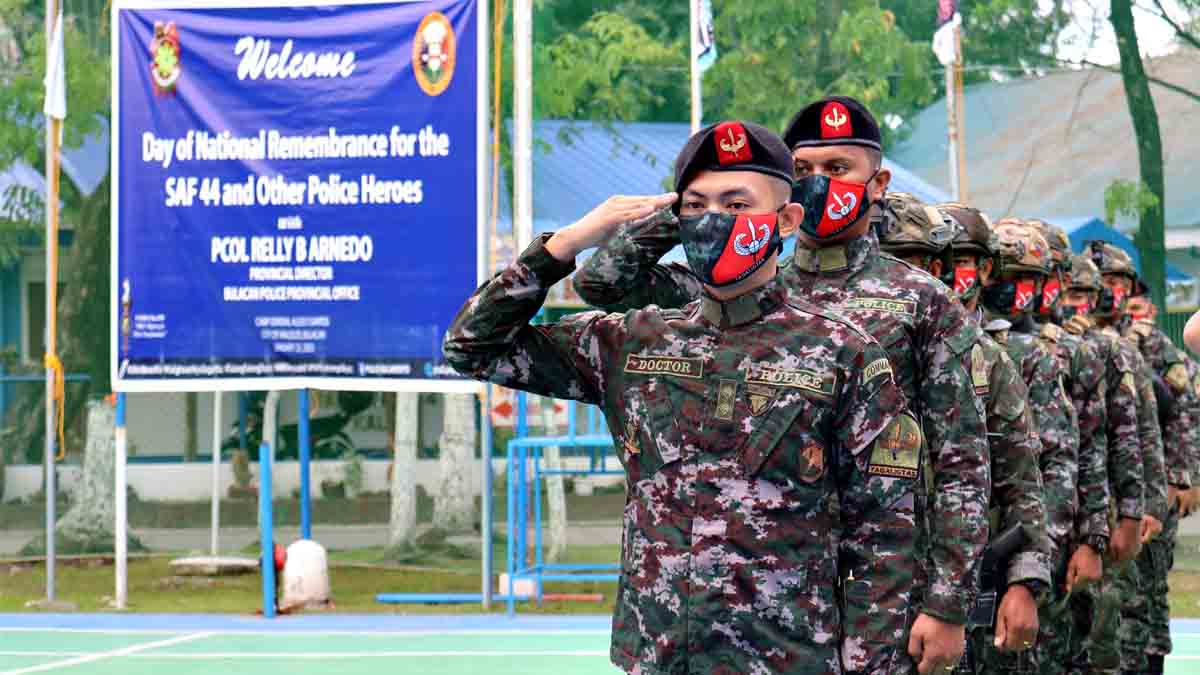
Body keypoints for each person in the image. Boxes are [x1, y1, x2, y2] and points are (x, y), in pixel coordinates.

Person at [444, 120, 931, 673]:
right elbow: (471, 344)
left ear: (787, 220)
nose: (713, 222)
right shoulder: (630, 342)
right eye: (696, 207)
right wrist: (564, 244)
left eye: (736, 204)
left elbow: (884, 529)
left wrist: (869, 663)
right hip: (659, 652)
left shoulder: (844, 353)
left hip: (790, 657)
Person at [573, 97, 991, 674]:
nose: (819, 185)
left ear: (877, 181)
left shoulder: (921, 300)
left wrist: (948, 601)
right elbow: (600, 284)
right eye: (803, 172)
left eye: (837, 170)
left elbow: (962, 461)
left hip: (870, 592)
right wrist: (685, 211)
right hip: (731, 604)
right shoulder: (734, 287)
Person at [879, 197, 1050, 672]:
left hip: (952, 589)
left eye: (910, 261)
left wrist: (1025, 580)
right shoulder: (833, 347)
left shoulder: (985, 358)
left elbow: (1021, 476)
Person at [972, 218, 1086, 674]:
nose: (1011, 289)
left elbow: (1061, 459)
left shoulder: (1037, 354)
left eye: (1025, 279)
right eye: (1003, 277)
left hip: (1026, 540)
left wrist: (1037, 558)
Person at [1058, 249, 1159, 675]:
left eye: (1086, 291)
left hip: (1102, 511)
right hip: (1053, 517)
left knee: (1106, 631)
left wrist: (1140, 509)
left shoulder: (1115, 350)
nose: (1077, 300)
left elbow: (1133, 434)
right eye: (1070, 290)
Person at [1113, 258, 1196, 675]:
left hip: (1156, 481)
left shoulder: (1160, 349)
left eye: (1139, 305)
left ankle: (1151, 660)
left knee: (1151, 586)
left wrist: (1183, 479)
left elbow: (1183, 411)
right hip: (1116, 482)